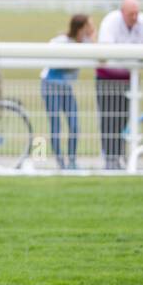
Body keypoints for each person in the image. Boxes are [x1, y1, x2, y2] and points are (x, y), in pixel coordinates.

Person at [95, 0, 143, 169]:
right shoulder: (110, 21)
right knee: (108, 119)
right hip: (106, 78)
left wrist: (127, 56)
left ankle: (119, 155)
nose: (135, 17)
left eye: (136, 13)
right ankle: (110, 158)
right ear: (122, 12)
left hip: (130, 79)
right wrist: (135, 56)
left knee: (124, 119)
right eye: (131, 14)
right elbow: (107, 51)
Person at [42, 14, 95, 170]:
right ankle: (60, 162)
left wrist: (93, 35)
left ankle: (72, 160)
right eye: (89, 25)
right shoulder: (60, 41)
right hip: (51, 84)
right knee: (56, 125)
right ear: (81, 27)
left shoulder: (85, 43)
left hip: (66, 87)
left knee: (74, 125)